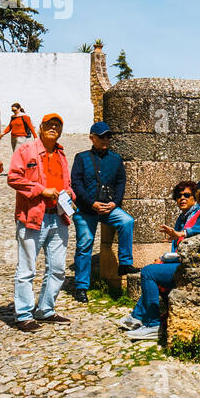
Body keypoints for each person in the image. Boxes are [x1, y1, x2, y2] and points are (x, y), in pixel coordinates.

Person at [119, 177, 200, 341]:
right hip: (194, 263)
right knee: (153, 272)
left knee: (149, 273)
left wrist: (183, 233)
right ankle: (142, 318)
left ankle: (152, 325)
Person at [6, 113, 73, 331]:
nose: (54, 128)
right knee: (26, 269)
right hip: (33, 217)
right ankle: (23, 315)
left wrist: (69, 194)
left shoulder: (61, 154)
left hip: (58, 217)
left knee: (57, 268)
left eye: (57, 126)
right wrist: (41, 190)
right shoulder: (25, 151)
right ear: (41, 127)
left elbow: (67, 182)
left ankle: (46, 309)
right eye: (50, 125)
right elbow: (14, 178)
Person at [69, 121, 139, 302]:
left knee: (127, 221)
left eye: (108, 136)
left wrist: (115, 203)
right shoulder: (81, 158)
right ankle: (81, 287)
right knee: (85, 245)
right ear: (92, 138)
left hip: (108, 207)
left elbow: (121, 182)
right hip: (87, 209)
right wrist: (91, 203)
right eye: (101, 136)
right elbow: (76, 184)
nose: (105, 139)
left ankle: (125, 264)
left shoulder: (115, 159)